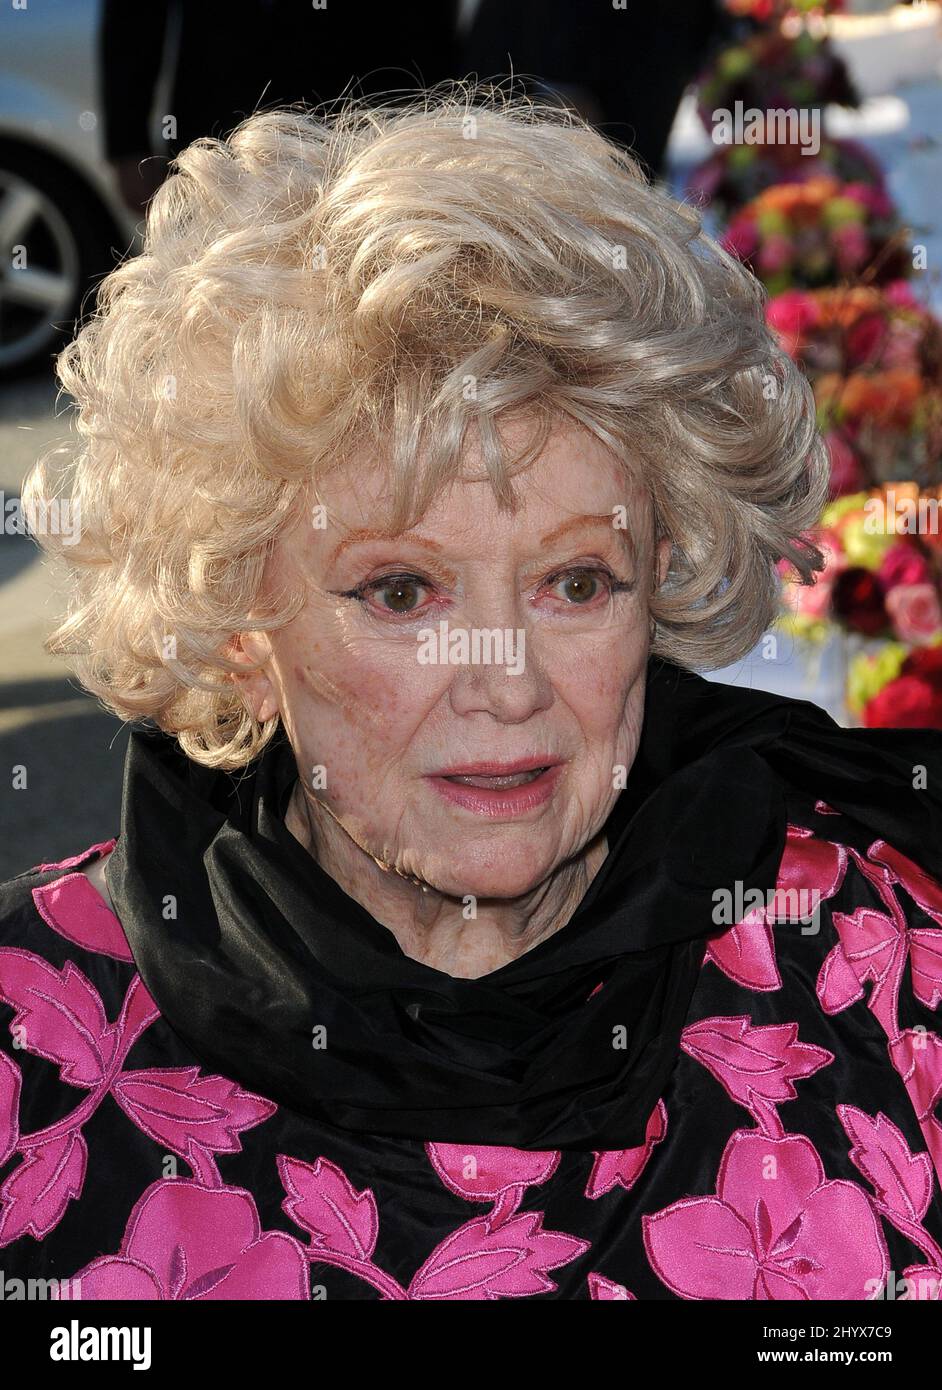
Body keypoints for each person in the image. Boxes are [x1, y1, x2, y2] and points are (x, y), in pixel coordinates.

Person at [5, 91, 942, 1302]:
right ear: (238, 622)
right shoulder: (33, 1041)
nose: (509, 687)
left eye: (574, 581)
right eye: (402, 592)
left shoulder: (881, 965)